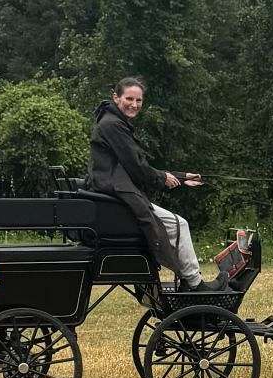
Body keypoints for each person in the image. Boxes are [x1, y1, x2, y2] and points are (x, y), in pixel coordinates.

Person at [86, 77, 228, 292]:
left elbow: (138, 166)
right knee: (179, 225)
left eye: (139, 100)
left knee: (176, 224)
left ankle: (188, 280)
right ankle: (195, 284)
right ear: (116, 97)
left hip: (116, 192)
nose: (134, 104)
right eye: (129, 99)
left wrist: (180, 177)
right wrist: (163, 179)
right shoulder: (113, 125)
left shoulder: (112, 122)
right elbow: (136, 167)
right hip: (118, 195)